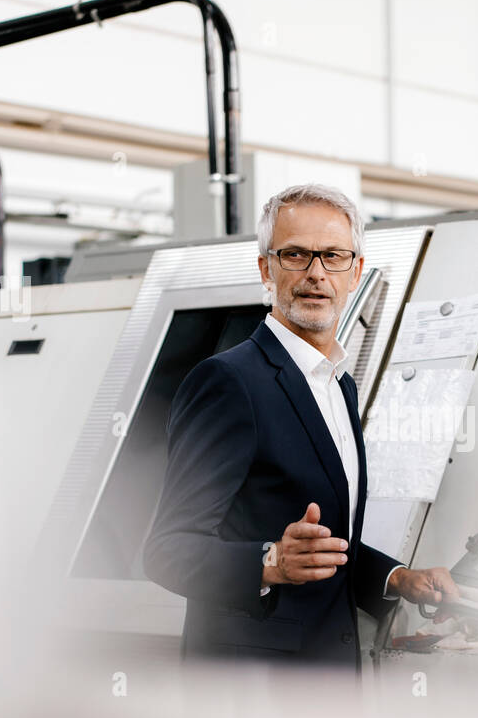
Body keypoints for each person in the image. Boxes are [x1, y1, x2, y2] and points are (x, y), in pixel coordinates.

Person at [143, 183, 458, 670]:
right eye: (295, 255)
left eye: (333, 256)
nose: (315, 274)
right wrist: (269, 563)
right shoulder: (228, 382)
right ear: (266, 269)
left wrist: (396, 578)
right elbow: (167, 549)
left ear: (354, 273)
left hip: (325, 684)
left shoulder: (338, 385)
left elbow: (325, 543)